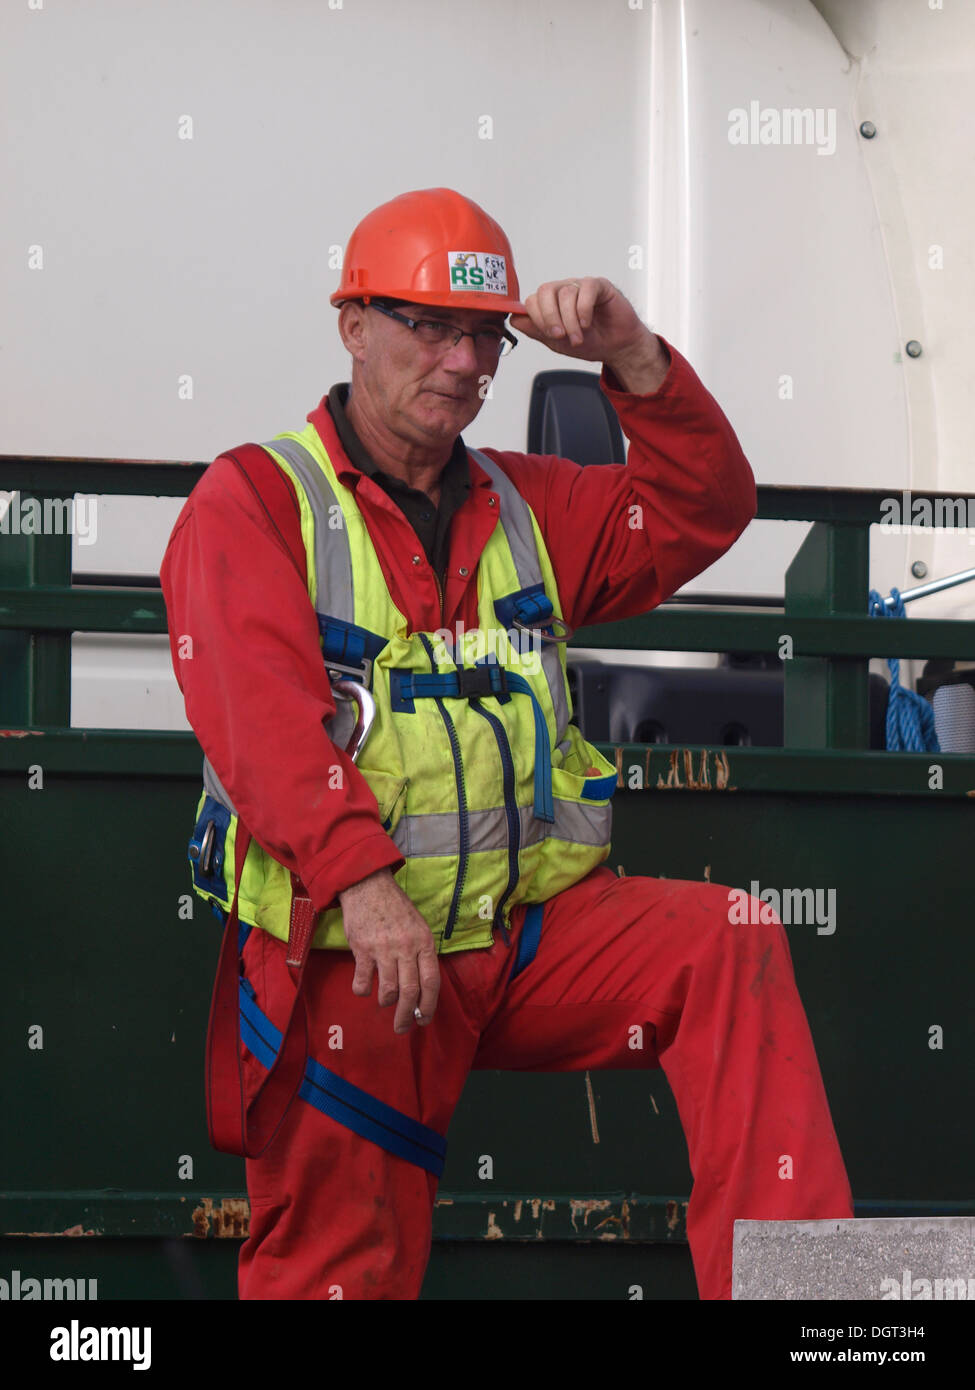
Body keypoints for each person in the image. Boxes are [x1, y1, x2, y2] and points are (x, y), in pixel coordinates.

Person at [160, 187, 853, 1301]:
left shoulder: (525, 504)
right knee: (339, 1269)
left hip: (526, 938)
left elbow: (703, 512)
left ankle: (818, 1312)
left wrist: (632, 358)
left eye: (483, 335)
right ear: (353, 325)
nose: (463, 361)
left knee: (729, 938)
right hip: (357, 953)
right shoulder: (252, 501)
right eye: (428, 326)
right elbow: (261, 727)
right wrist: (366, 887)